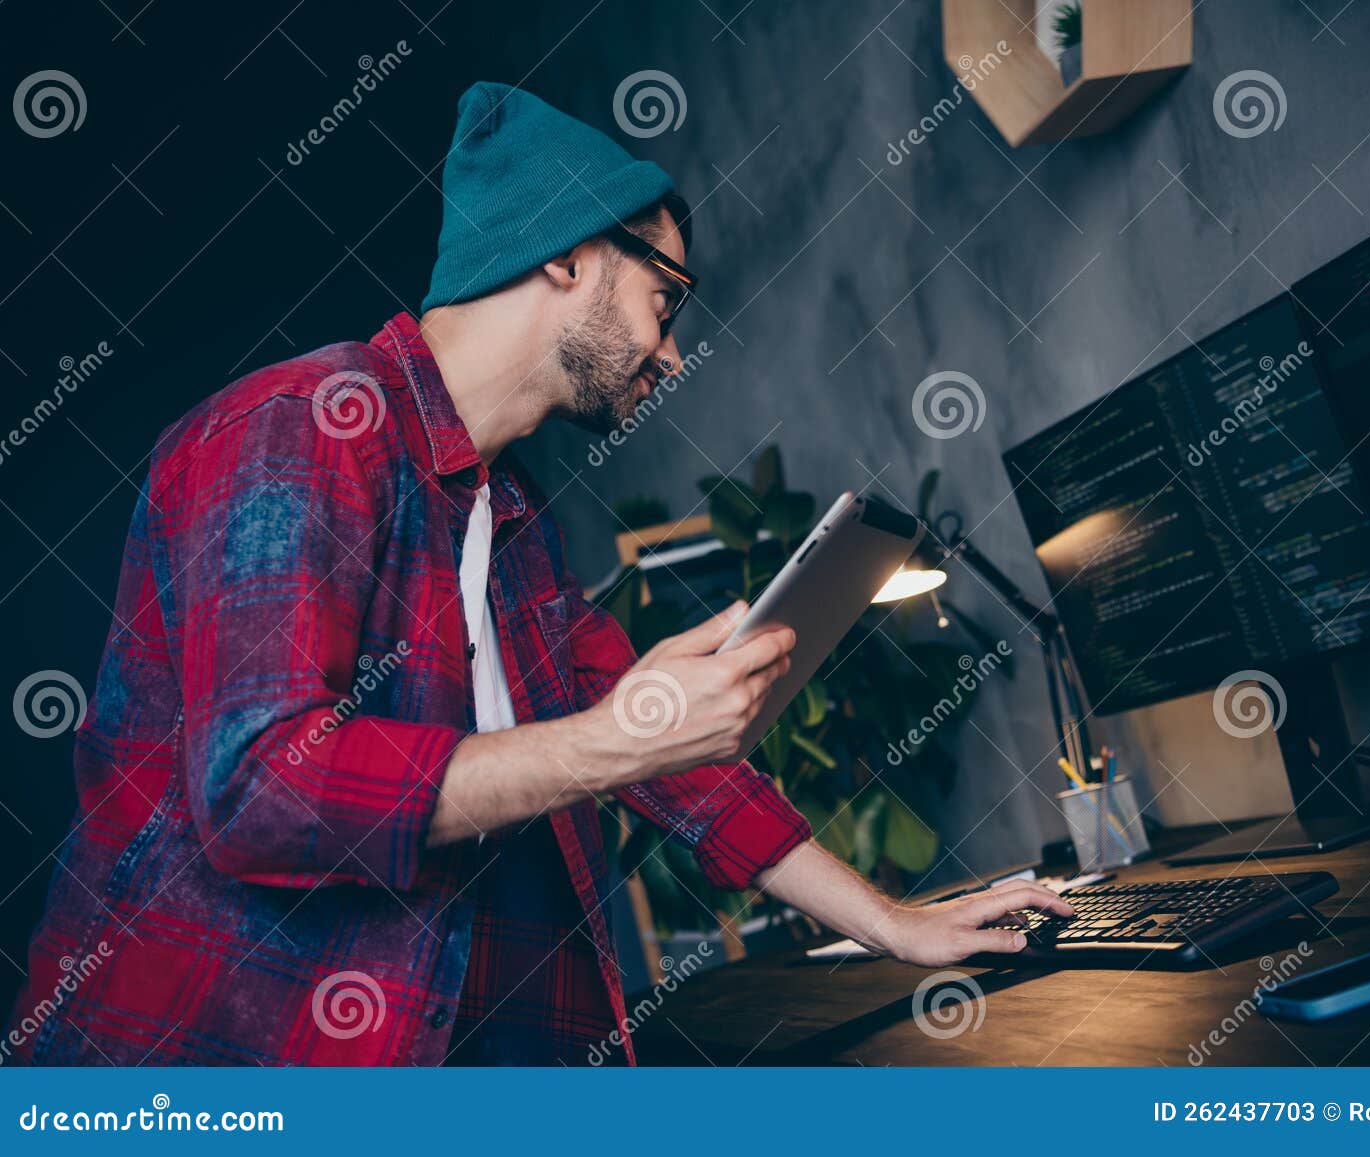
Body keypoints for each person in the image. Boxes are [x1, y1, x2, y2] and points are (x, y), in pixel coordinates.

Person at [8, 82, 1071, 1066]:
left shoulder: (508, 520)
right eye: (668, 294)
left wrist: (893, 922)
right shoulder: (302, 427)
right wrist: (610, 743)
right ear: (568, 254)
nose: (671, 351)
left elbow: (663, 757)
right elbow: (260, 788)